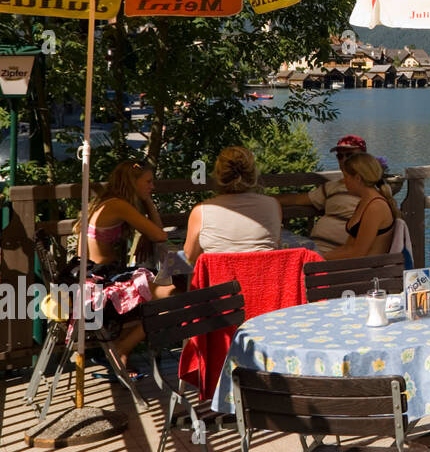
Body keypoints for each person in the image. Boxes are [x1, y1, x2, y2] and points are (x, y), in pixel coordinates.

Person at [80, 161, 175, 363]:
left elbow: (154, 234)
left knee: (160, 291)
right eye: (148, 182)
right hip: (100, 284)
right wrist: (148, 201)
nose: (152, 187)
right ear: (133, 182)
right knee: (174, 296)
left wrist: (146, 236)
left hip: (92, 277)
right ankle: (122, 348)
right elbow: (160, 235)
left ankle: (123, 349)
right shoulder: (119, 205)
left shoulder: (108, 201)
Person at [183, 146, 282, 264]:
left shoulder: (201, 211)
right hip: (262, 281)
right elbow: (276, 243)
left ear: (218, 175)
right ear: (253, 174)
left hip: (219, 281)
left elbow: (189, 255)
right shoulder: (272, 205)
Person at [276, 134, 366, 254]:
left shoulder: (372, 191)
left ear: (364, 158)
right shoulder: (332, 186)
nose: (344, 159)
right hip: (315, 249)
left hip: (334, 257)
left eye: (349, 155)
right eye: (340, 156)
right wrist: (263, 199)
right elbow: (298, 199)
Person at [324, 151, 398, 259]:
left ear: (358, 178)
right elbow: (348, 247)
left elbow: (357, 253)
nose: (344, 181)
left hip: (366, 271)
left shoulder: (375, 207)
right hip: (356, 267)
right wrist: (318, 256)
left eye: (346, 176)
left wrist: (318, 259)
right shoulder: (365, 201)